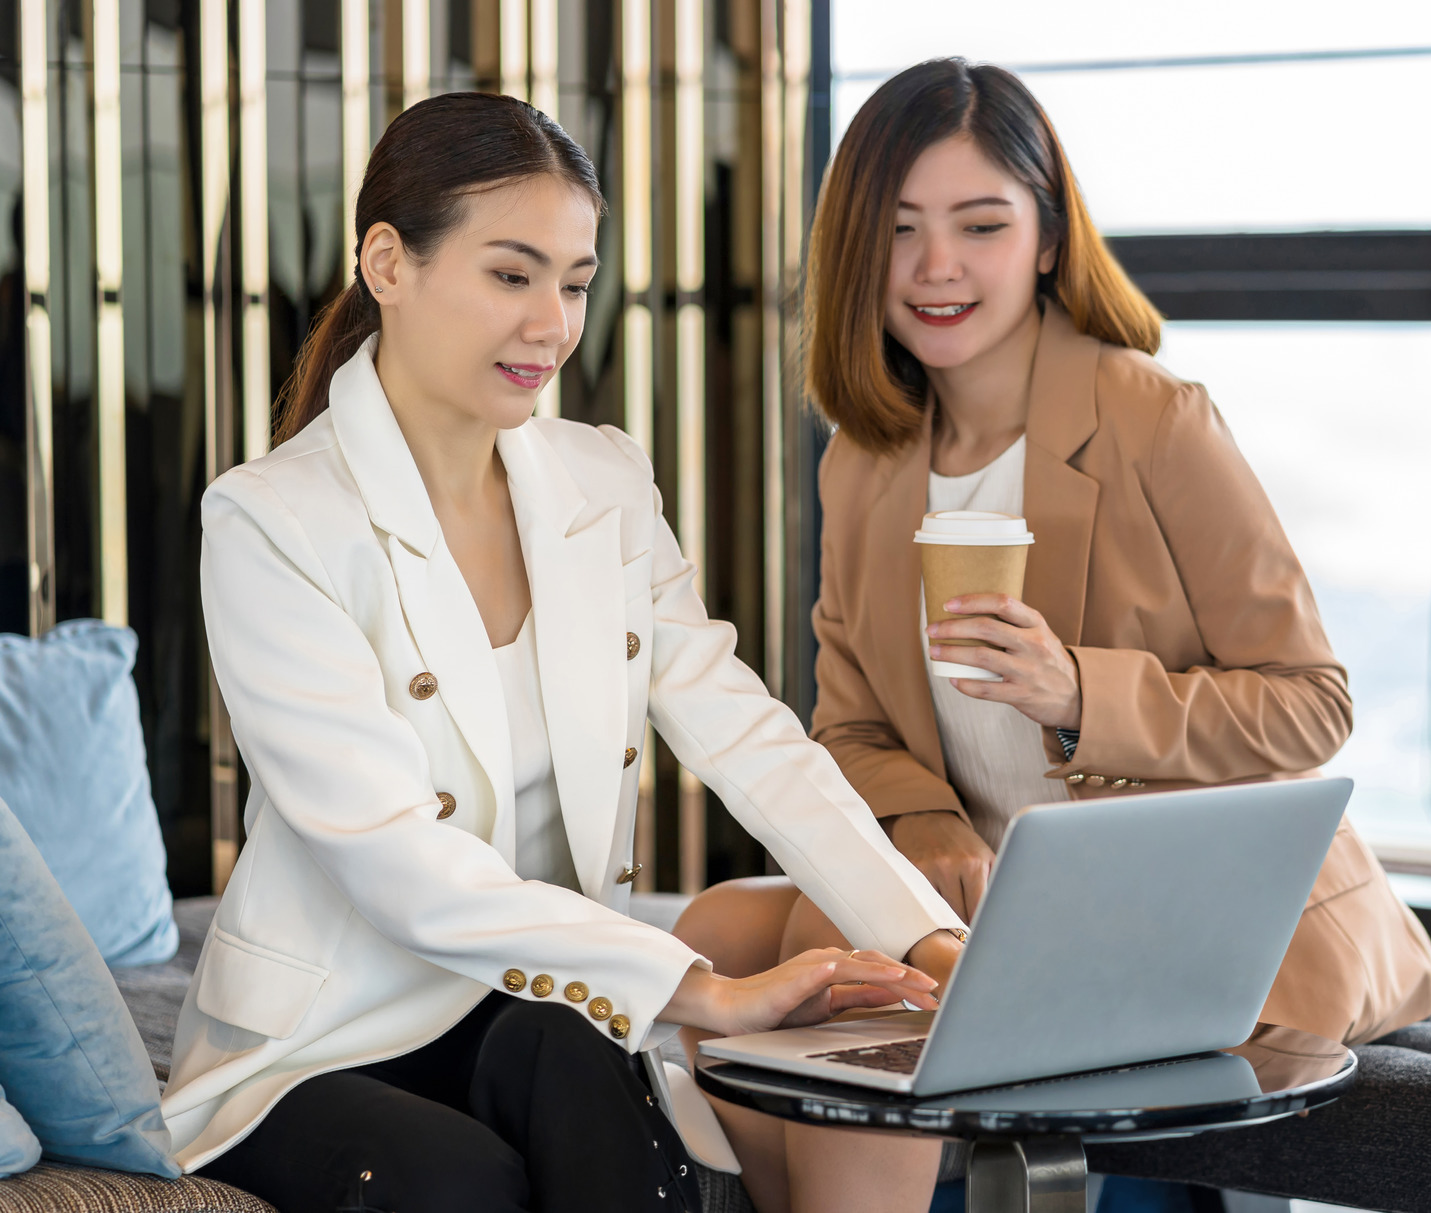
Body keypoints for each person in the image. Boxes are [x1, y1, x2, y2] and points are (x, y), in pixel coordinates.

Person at [161, 92, 967, 1213]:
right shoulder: (270, 519)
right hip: (326, 1031)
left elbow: (744, 731)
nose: (552, 322)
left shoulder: (604, 480)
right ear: (387, 263)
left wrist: (926, 937)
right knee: (461, 1183)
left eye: (575, 281)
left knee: (603, 1089)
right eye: (511, 274)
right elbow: (397, 860)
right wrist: (700, 990)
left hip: (535, 1006)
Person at [679, 54, 1431, 1095]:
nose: (933, 265)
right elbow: (850, 725)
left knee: (835, 981)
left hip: (1181, 899)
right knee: (712, 930)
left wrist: (1079, 693)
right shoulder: (864, 455)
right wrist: (929, 820)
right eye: (899, 228)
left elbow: (1311, 705)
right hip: (994, 895)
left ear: (1046, 238)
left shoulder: (1150, 419)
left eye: (979, 225)